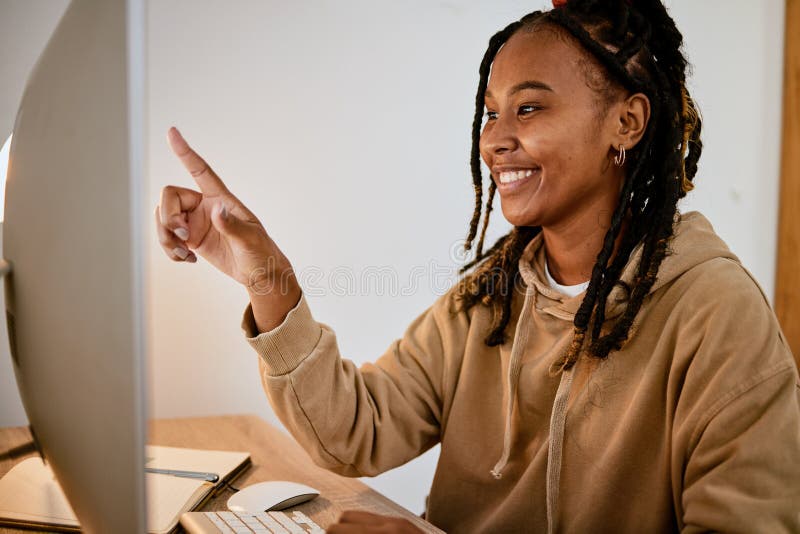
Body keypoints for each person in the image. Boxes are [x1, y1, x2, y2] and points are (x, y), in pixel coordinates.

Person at [155, 1, 800, 532]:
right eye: (491, 112)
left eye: (529, 107)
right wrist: (267, 278)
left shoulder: (717, 314)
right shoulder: (493, 296)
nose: (494, 138)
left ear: (627, 122)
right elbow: (355, 431)